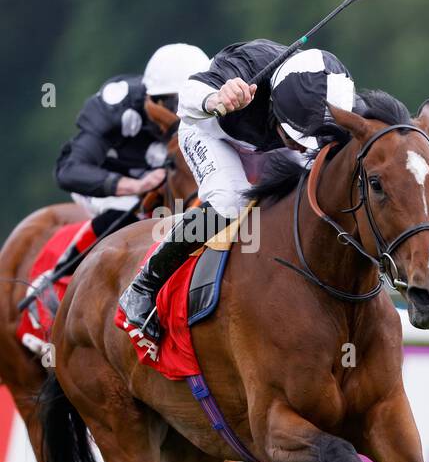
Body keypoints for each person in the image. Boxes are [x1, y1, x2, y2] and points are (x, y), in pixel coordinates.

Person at [117, 40, 356, 344]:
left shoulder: (331, 92)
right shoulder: (249, 61)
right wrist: (216, 97)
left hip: (267, 142)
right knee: (230, 202)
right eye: (297, 136)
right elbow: (187, 98)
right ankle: (144, 287)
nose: (301, 145)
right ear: (277, 104)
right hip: (211, 132)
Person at [53, 43, 210, 237]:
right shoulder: (117, 107)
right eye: (177, 102)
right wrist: (136, 186)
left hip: (165, 186)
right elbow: (69, 170)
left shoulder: (211, 110)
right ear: (154, 99)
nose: (186, 111)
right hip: (110, 187)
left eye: (196, 99)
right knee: (125, 219)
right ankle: (63, 268)